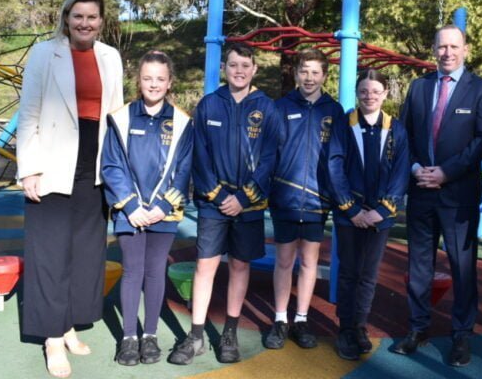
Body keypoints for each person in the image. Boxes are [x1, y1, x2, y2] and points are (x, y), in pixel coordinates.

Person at [16, 0, 124, 378]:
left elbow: (116, 115)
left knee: (85, 251)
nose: (84, 23)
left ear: (101, 21)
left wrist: (118, 170)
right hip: (52, 161)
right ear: (66, 18)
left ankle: (69, 325)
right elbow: (29, 112)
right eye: (78, 16)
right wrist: (29, 168)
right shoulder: (45, 54)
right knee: (50, 252)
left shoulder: (110, 57)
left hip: (95, 162)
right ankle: (52, 337)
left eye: (92, 17)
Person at [169, 42, 280, 365]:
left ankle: (229, 333)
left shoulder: (267, 107)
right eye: (233, 65)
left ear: (254, 69)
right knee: (205, 265)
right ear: (224, 68)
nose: (239, 71)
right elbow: (199, 155)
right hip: (212, 202)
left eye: (245, 65)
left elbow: (270, 158)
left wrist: (244, 197)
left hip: (249, 204)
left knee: (240, 265)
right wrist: (218, 195)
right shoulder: (209, 104)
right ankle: (196, 335)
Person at [394, 25, 482, 366]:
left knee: (462, 267)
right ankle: (417, 328)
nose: (447, 53)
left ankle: (461, 335)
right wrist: (415, 169)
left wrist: (446, 172)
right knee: (419, 265)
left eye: (454, 46)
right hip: (421, 190)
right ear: (434, 49)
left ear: (465, 50)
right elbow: (404, 135)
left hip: (458, 195)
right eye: (441, 47)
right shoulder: (419, 87)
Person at [100, 50, 193, 366]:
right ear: (138, 80)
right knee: (132, 270)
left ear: (169, 83)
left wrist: (163, 205)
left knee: (155, 271)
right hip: (130, 211)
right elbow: (111, 165)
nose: (153, 84)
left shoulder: (182, 122)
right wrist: (130, 205)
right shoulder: (120, 118)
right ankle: (128, 338)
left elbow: (184, 169)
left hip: (164, 211)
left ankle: (150, 335)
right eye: (147, 78)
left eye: (160, 79)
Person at [264, 49, 344, 350]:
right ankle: (280, 319)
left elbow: (339, 158)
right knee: (284, 260)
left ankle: (301, 319)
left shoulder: (334, 111)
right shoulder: (281, 107)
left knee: (310, 261)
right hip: (285, 197)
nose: (309, 78)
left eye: (315, 72)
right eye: (304, 71)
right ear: (296, 73)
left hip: (317, 199)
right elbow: (269, 153)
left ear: (324, 75)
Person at [329, 68, 409, 361]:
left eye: (375, 91)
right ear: (356, 93)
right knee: (349, 272)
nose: (369, 96)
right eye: (363, 91)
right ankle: (345, 328)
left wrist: (383, 210)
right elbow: (334, 165)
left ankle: (360, 325)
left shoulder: (396, 129)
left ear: (385, 93)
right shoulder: (343, 124)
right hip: (349, 213)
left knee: (369, 274)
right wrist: (351, 209)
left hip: (379, 216)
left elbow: (401, 171)